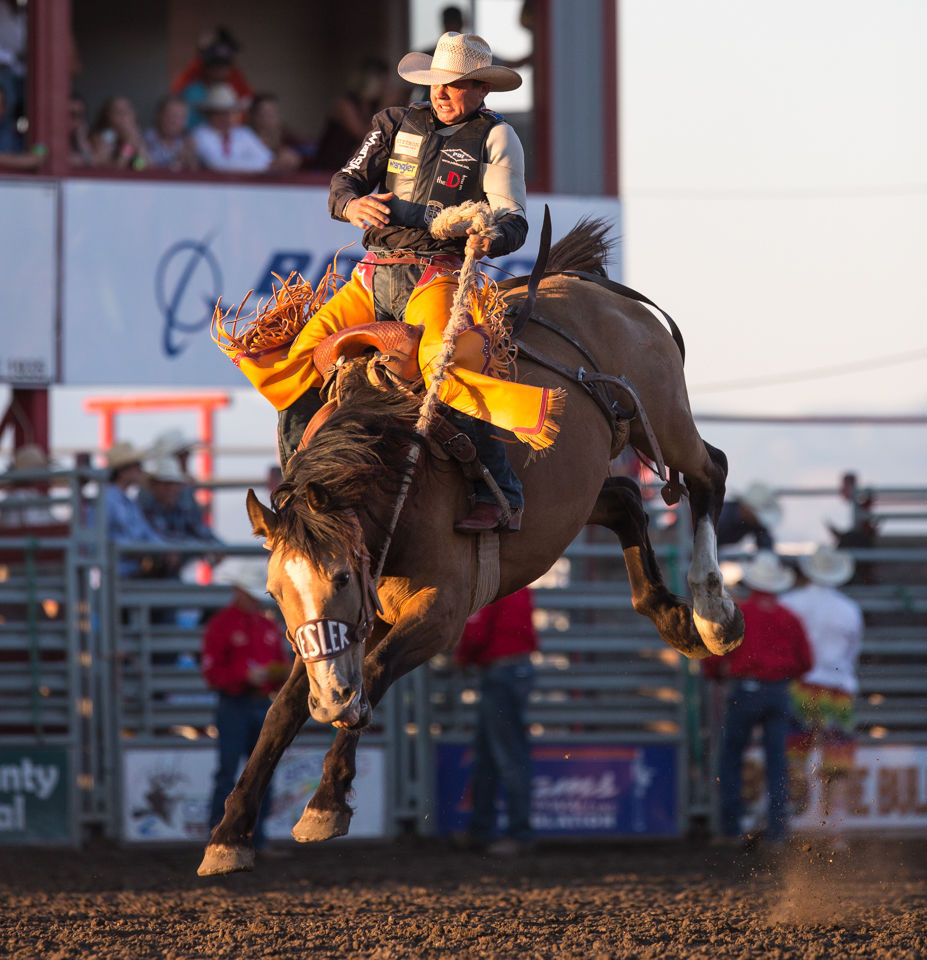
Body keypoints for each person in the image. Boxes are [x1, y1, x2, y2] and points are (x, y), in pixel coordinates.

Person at [226, 32, 540, 534]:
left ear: (482, 89)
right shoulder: (393, 122)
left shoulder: (497, 137)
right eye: (437, 81)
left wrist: (488, 231)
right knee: (296, 363)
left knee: (450, 361)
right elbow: (343, 182)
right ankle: (297, 489)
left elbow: (513, 221)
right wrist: (350, 204)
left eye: (455, 84)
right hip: (372, 276)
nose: (441, 92)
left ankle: (499, 490)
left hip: (438, 276)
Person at [703, 550, 813, 846]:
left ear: (752, 584)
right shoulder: (789, 617)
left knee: (731, 759)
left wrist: (716, 674)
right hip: (778, 691)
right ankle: (778, 831)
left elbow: (715, 656)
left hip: (744, 690)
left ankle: (731, 829)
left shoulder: (738, 613)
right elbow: (806, 661)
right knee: (777, 762)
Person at [201, 560, 291, 852]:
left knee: (259, 773)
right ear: (239, 591)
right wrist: (245, 676)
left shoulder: (266, 625)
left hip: (257, 705)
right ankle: (221, 837)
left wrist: (275, 674)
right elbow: (212, 674)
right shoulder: (223, 624)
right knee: (229, 772)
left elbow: (284, 668)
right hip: (235, 705)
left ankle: (255, 838)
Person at [781, 545, 864, 849]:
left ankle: (785, 826)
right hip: (839, 690)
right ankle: (837, 834)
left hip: (801, 686)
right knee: (837, 763)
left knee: (792, 758)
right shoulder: (849, 609)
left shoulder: (790, 603)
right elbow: (853, 651)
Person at [455, 587, 538, 855]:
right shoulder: (519, 581)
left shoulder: (489, 587)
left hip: (499, 673)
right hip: (514, 669)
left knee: (502, 755)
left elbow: (476, 632)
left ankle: (517, 833)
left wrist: (461, 657)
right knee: (494, 754)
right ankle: (485, 829)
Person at [89, 441, 178, 578]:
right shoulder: (107, 501)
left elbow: (146, 533)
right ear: (123, 472)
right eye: (137, 467)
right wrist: (142, 549)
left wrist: (164, 549)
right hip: (116, 574)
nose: (141, 471)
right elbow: (98, 540)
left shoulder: (127, 502)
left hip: (129, 572)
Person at [171, 25, 254, 129]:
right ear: (208, 68)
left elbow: (248, 106)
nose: (222, 71)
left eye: (226, 66)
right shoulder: (192, 91)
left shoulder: (233, 87)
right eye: (217, 66)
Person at [191, 82, 273, 173]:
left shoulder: (243, 133)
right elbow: (215, 164)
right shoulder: (199, 134)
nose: (231, 116)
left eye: (233, 111)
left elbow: (267, 159)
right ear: (212, 114)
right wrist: (256, 164)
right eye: (224, 112)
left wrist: (264, 164)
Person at [247, 92, 307, 172]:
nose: (268, 119)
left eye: (272, 114)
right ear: (252, 116)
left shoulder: (285, 141)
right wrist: (273, 165)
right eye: (263, 114)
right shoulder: (241, 140)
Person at [89, 94, 149, 170]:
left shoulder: (135, 136)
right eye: (118, 112)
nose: (123, 116)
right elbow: (116, 168)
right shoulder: (105, 136)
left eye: (127, 111)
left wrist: (138, 145)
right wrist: (128, 145)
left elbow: (142, 166)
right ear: (107, 116)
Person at [716, 482, 781, 550]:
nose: (756, 520)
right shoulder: (721, 516)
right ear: (746, 508)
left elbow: (764, 538)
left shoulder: (751, 522)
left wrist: (766, 555)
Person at [143, 95, 198, 171]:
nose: (174, 121)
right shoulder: (144, 138)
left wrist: (190, 158)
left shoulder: (187, 141)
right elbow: (138, 166)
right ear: (159, 115)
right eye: (171, 115)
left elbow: (195, 174)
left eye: (180, 117)